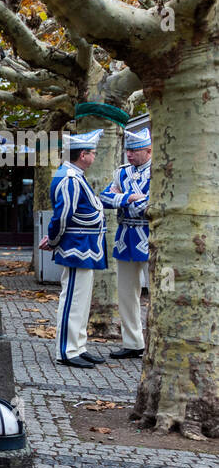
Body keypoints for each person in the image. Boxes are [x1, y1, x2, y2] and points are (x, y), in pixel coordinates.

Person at [41, 130, 108, 368]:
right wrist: (53, 240)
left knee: (81, 301)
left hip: (84, 248)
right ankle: (67, 351)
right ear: (83, 155)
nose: (94, 157)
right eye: (92, 153)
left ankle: (78, 346)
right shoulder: (70, 178)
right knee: (72, 300)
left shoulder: (75, 175)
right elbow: (62, 216)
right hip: (76, 248)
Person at [99, 127, 151, 359]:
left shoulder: (159, 172)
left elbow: (152, 203)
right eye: (128, 150)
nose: (129, 155)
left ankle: (157, 342)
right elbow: (104, 198)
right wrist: (129, 198)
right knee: (126, 294)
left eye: (134, 151)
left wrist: (121, 199)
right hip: (124, 239)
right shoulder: (120, 173)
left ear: (148, 150)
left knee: (162, 292)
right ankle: (133, 343)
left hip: (152, 239)